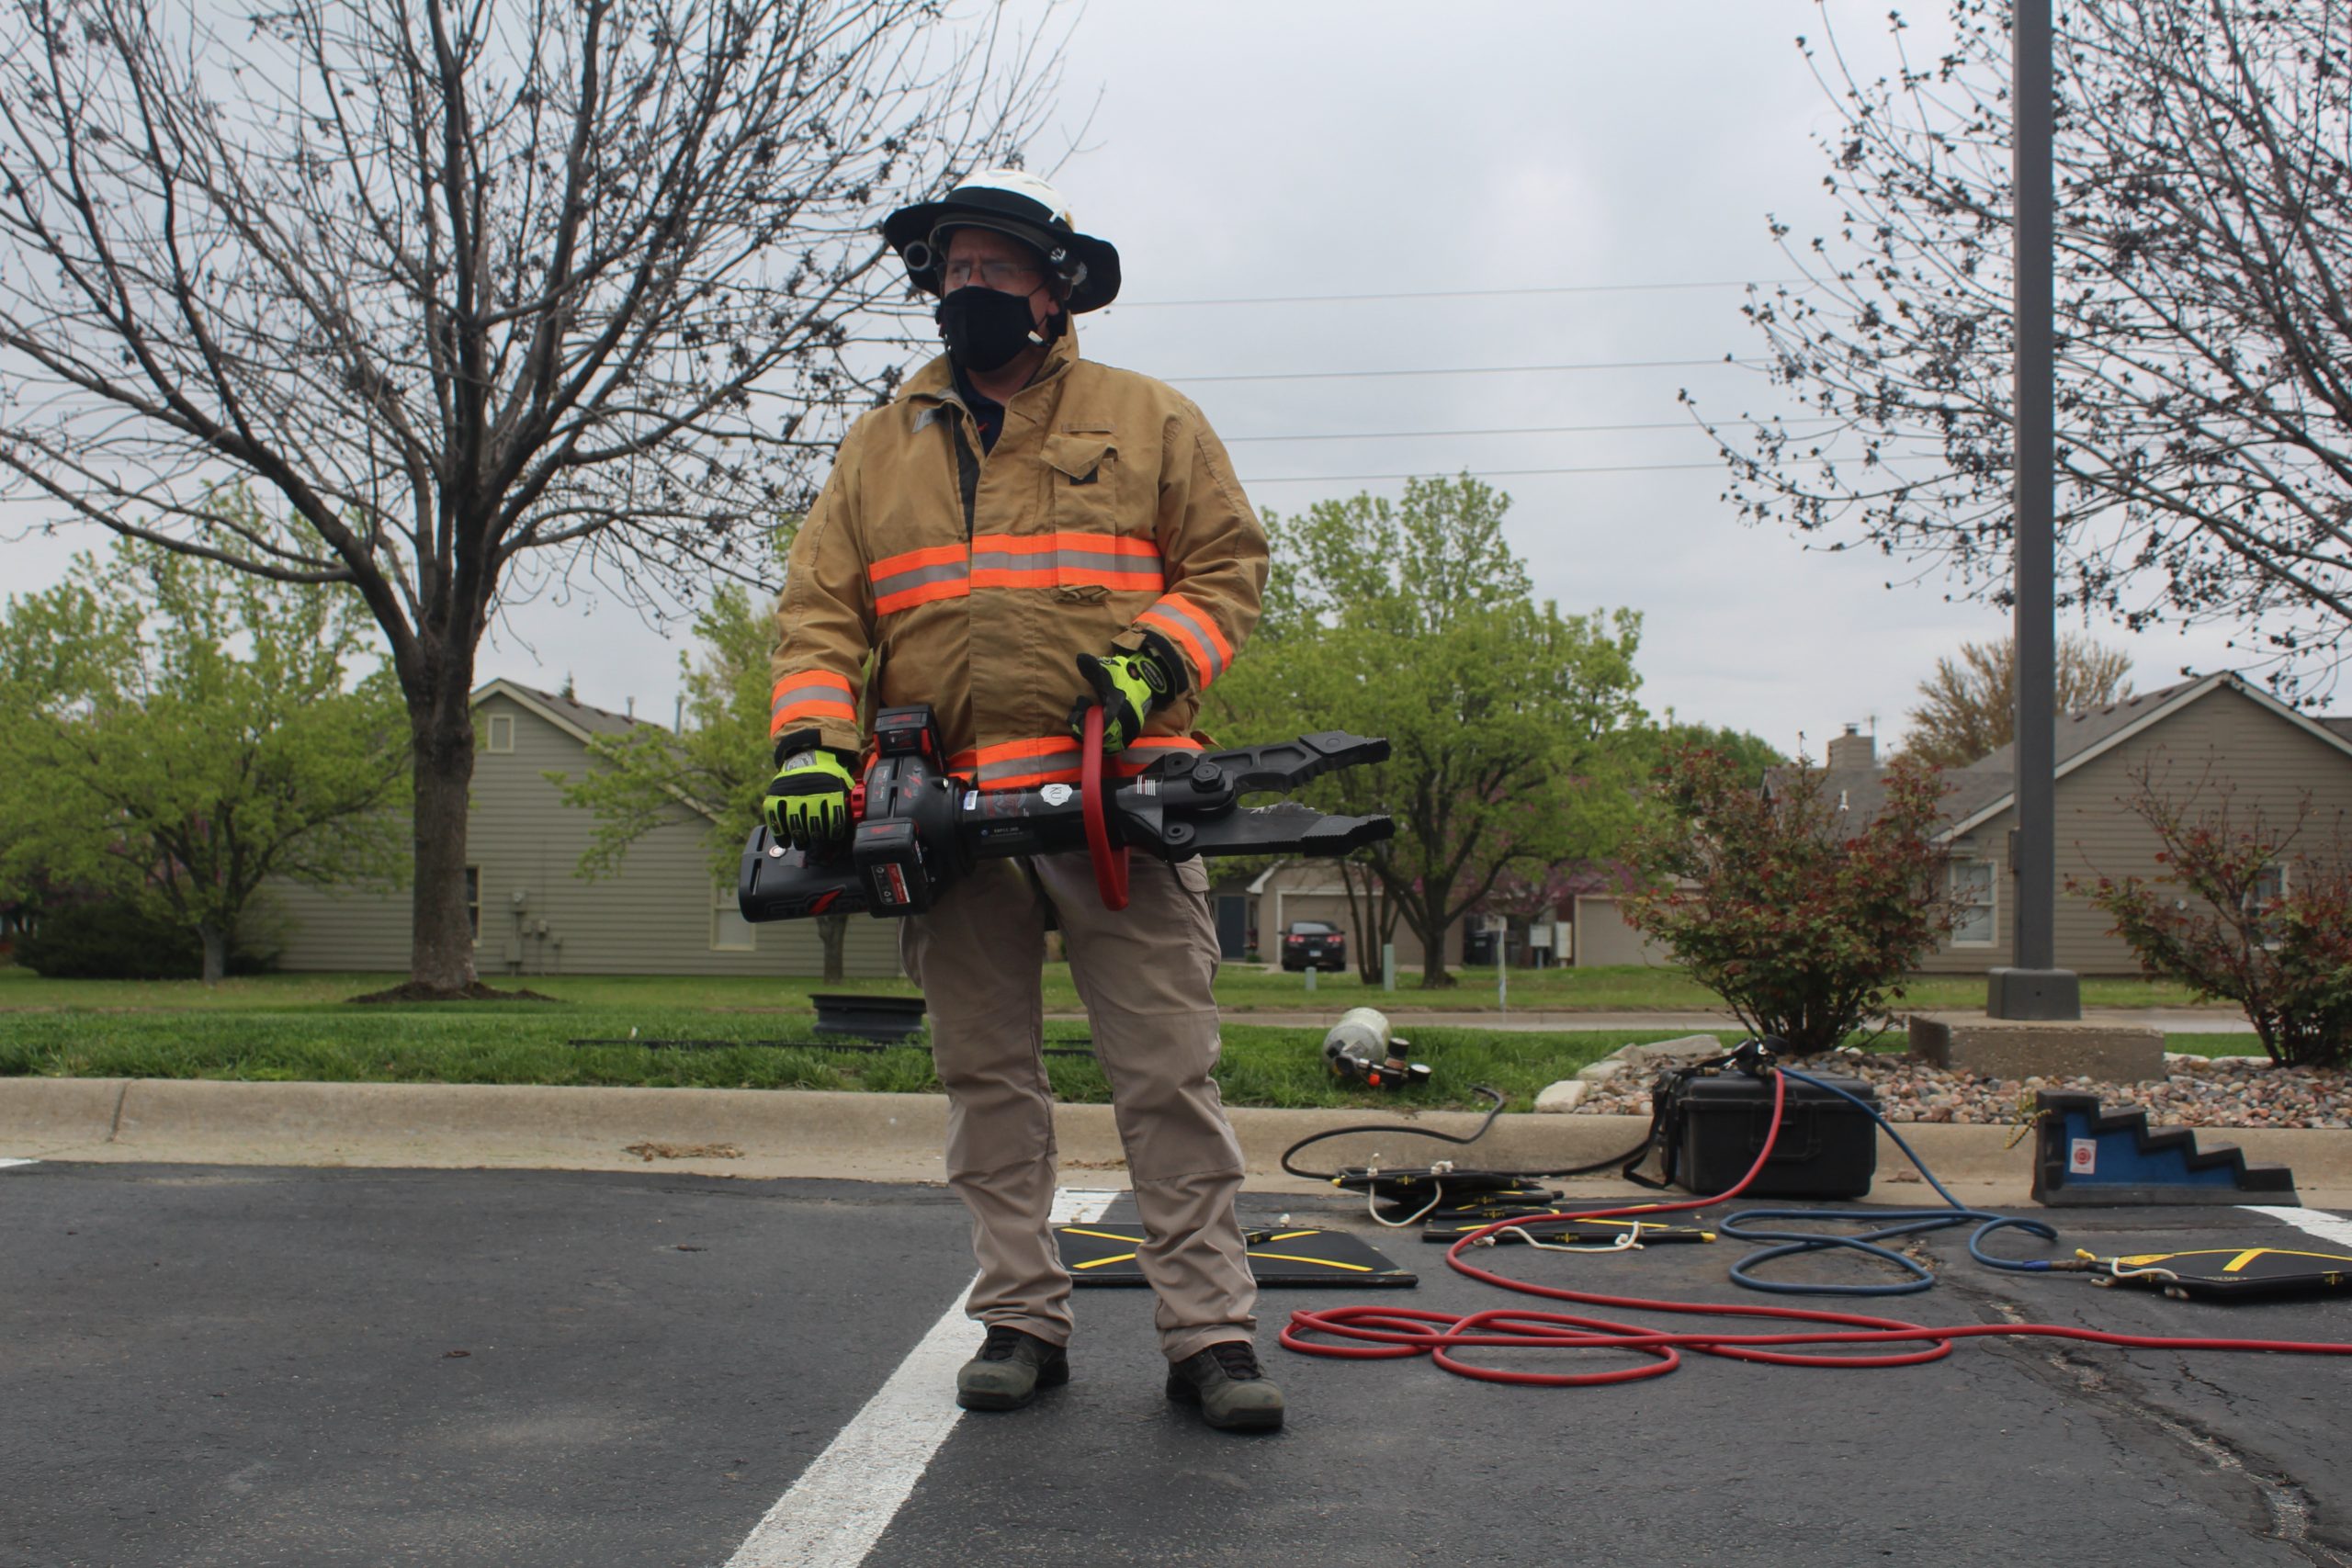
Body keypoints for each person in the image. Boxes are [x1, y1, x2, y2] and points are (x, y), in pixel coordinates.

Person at [762, 170, 1280, 1432]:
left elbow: (1225, 568)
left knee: (1165, 1077)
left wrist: (1155, 658)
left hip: (1119, 802)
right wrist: (817, 752)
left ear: (1055, 287)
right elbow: (822, 613)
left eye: (995, 269)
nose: (969, 289)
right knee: (987, 1079)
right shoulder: (882, 443)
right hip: (947, 818)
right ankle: (1018, 1321)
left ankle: (1209, 1337)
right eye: (952, 269)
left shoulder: (1148, 418)